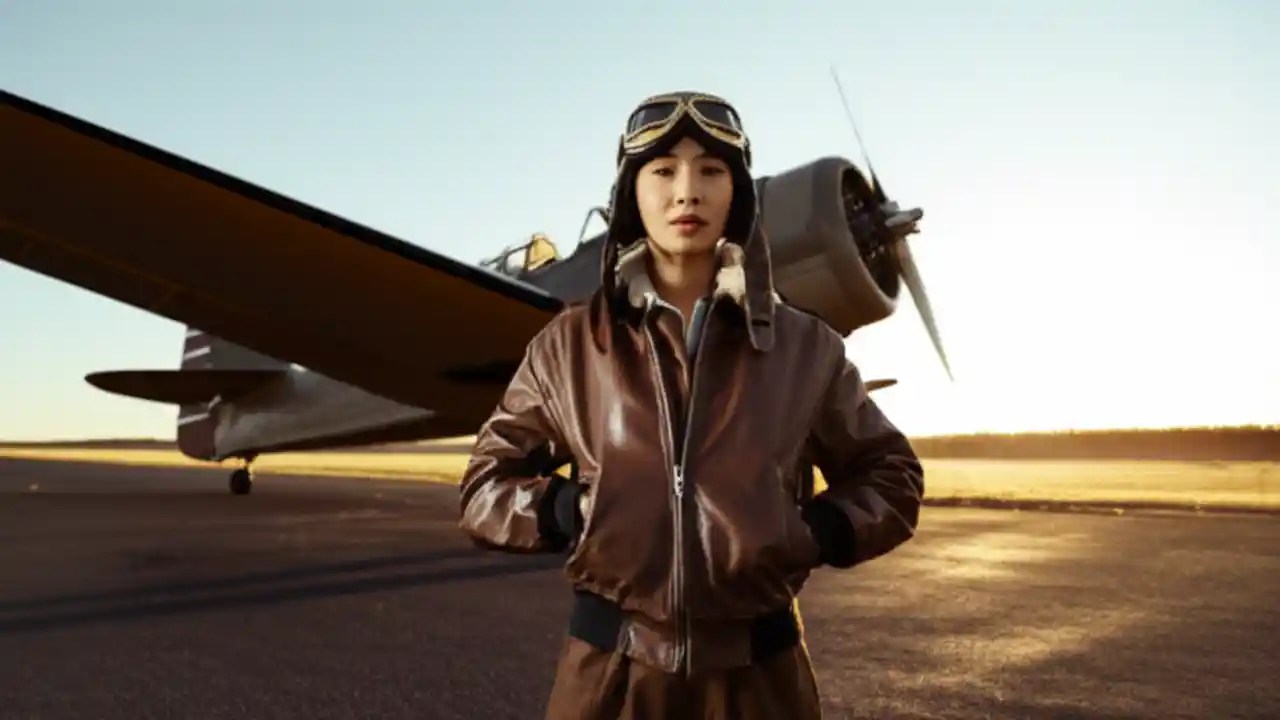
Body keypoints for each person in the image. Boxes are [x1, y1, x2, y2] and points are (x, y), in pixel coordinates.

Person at [458, 91, 925, 720]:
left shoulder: (807, 348)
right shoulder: (565, 345)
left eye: (711, 170)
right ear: (632, 194)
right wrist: (574, 511)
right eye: (662, 171)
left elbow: (893, 477)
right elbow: (484, 488)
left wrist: (814, 532)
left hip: (765, 682)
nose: (687, 191)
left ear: (738, 192)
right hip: (607, 682)